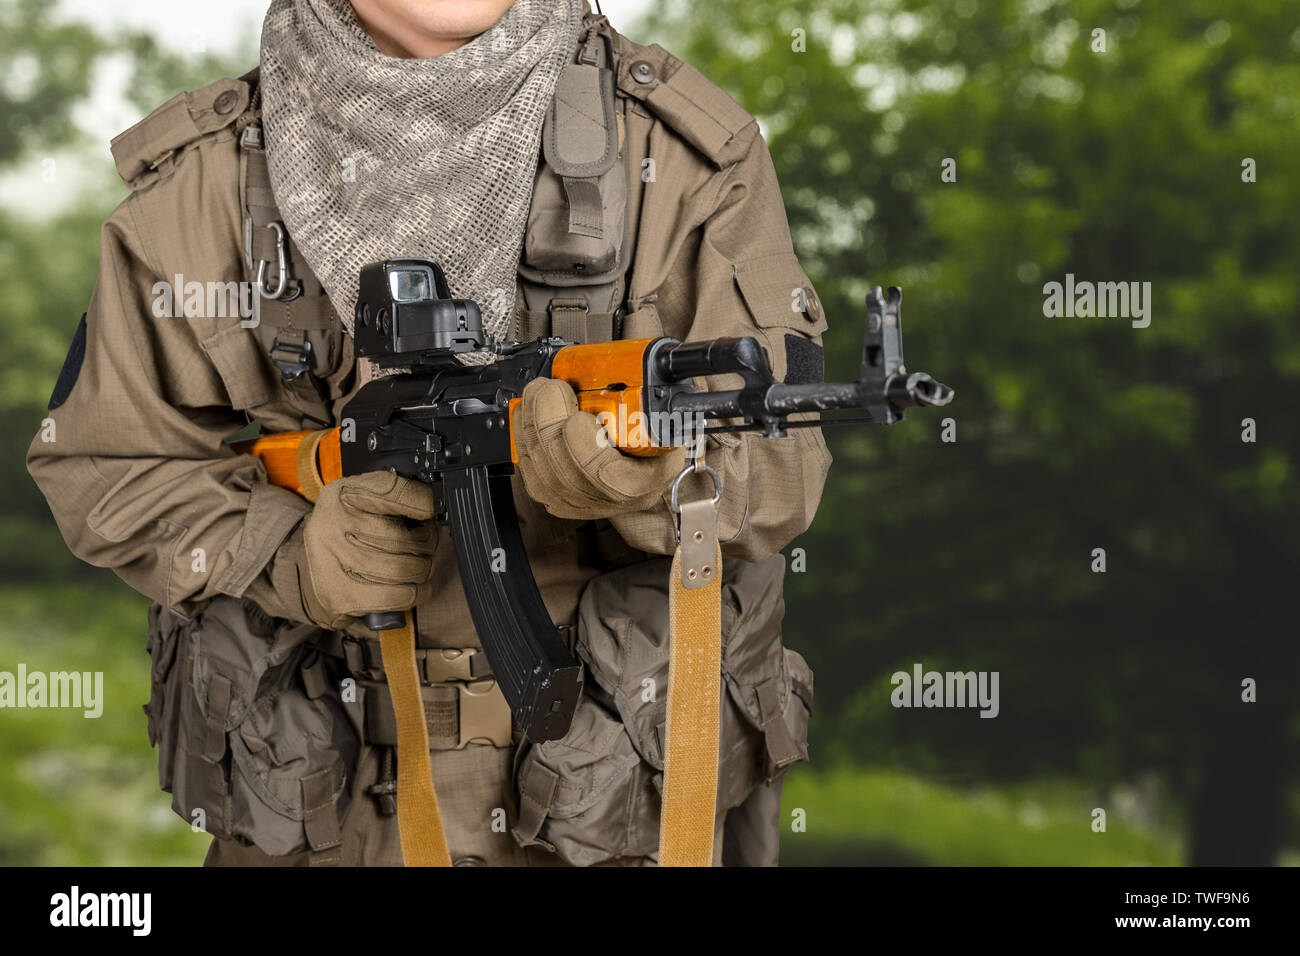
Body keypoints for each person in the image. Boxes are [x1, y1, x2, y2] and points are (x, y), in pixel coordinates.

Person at [27, 0, 830, 866]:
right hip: (313, 802)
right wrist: (285, 554)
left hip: (614, 808)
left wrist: (659, 482)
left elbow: (782, 467)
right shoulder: (201, 183)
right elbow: (102, 462)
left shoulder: (682, 152)